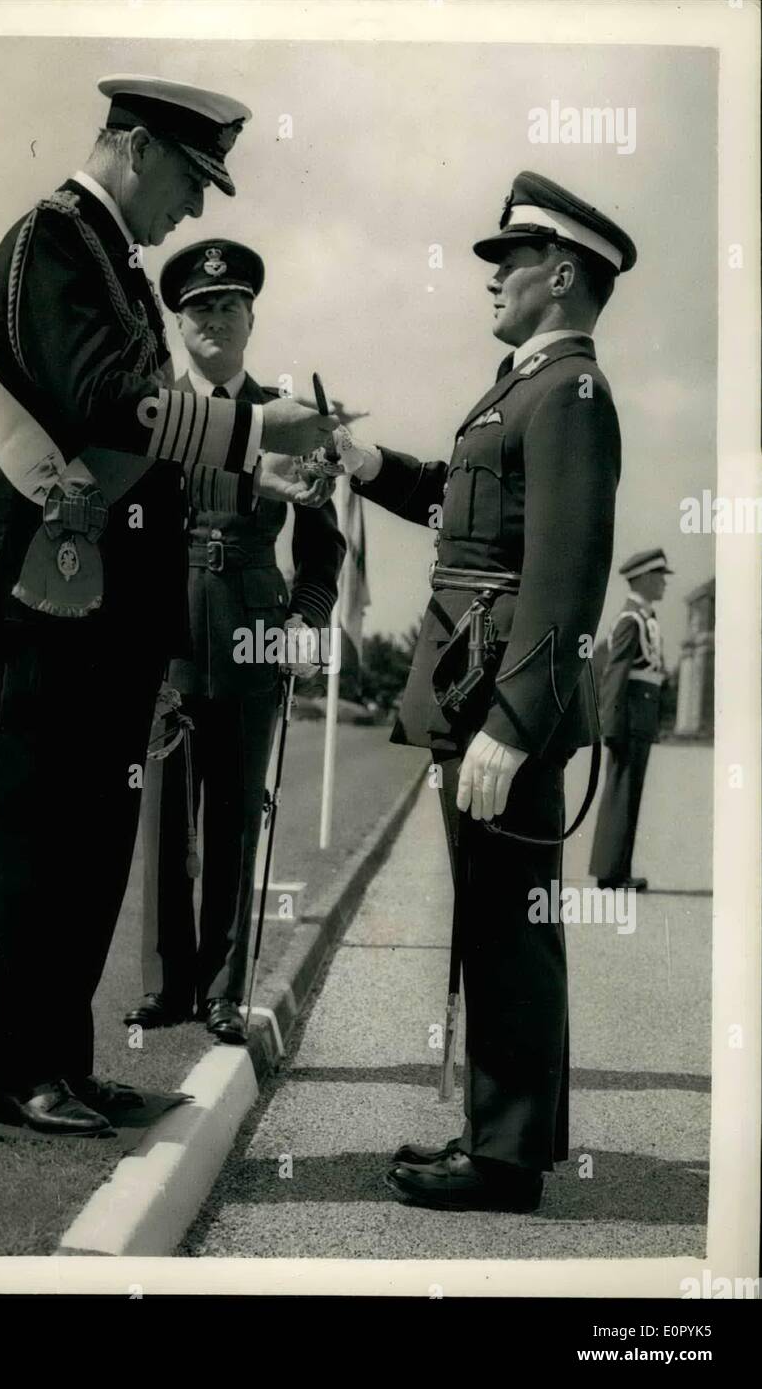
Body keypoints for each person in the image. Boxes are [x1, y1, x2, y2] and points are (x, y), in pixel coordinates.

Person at [0, 76, 337, 1137]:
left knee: (91, 840)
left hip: (111, 598)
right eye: (189, 175)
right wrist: (260, 440)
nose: (197, 208)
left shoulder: (110, 260)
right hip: (54, 587)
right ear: (128, 144)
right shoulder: (52, 242)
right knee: (39, 834)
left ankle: (65, 1063)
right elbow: (106, 402)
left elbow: (144, 431)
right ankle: (20, 1069)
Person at [328, 170, 636, 1210]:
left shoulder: (568, 393)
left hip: (500, 699)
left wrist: (512, 723)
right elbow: (457, 513)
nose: (489, 279)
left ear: (558, 274)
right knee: (499, 919)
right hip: (472, 688)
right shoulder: (523, 384)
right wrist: (365, 463)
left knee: (508, 926)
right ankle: (503, 1140)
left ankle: (503, 1162)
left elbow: (564, 570)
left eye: (505, 262)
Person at [124, 240, 346, 1044]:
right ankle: (166, 985)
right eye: (199, 309)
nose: (214, 320)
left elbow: (324, 545)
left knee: (236, 818)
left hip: (256, 624)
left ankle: (222, 988)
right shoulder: (152, 412)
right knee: (166, 814)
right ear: (180, 326)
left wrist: (304, 620)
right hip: (169, 627)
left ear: (252, 318)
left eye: (229, 306)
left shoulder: (290, 421)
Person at [589, 548, 671, 890]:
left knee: (629, 795)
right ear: (644, 578)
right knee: (621, 794)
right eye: (660, 577)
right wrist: (612, 726)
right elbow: (615, 676)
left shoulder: (644, 618)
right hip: (628, 721)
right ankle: (610, 872)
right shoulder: (630, 620)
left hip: (640, 720)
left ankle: (618, 870)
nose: (664, 584)